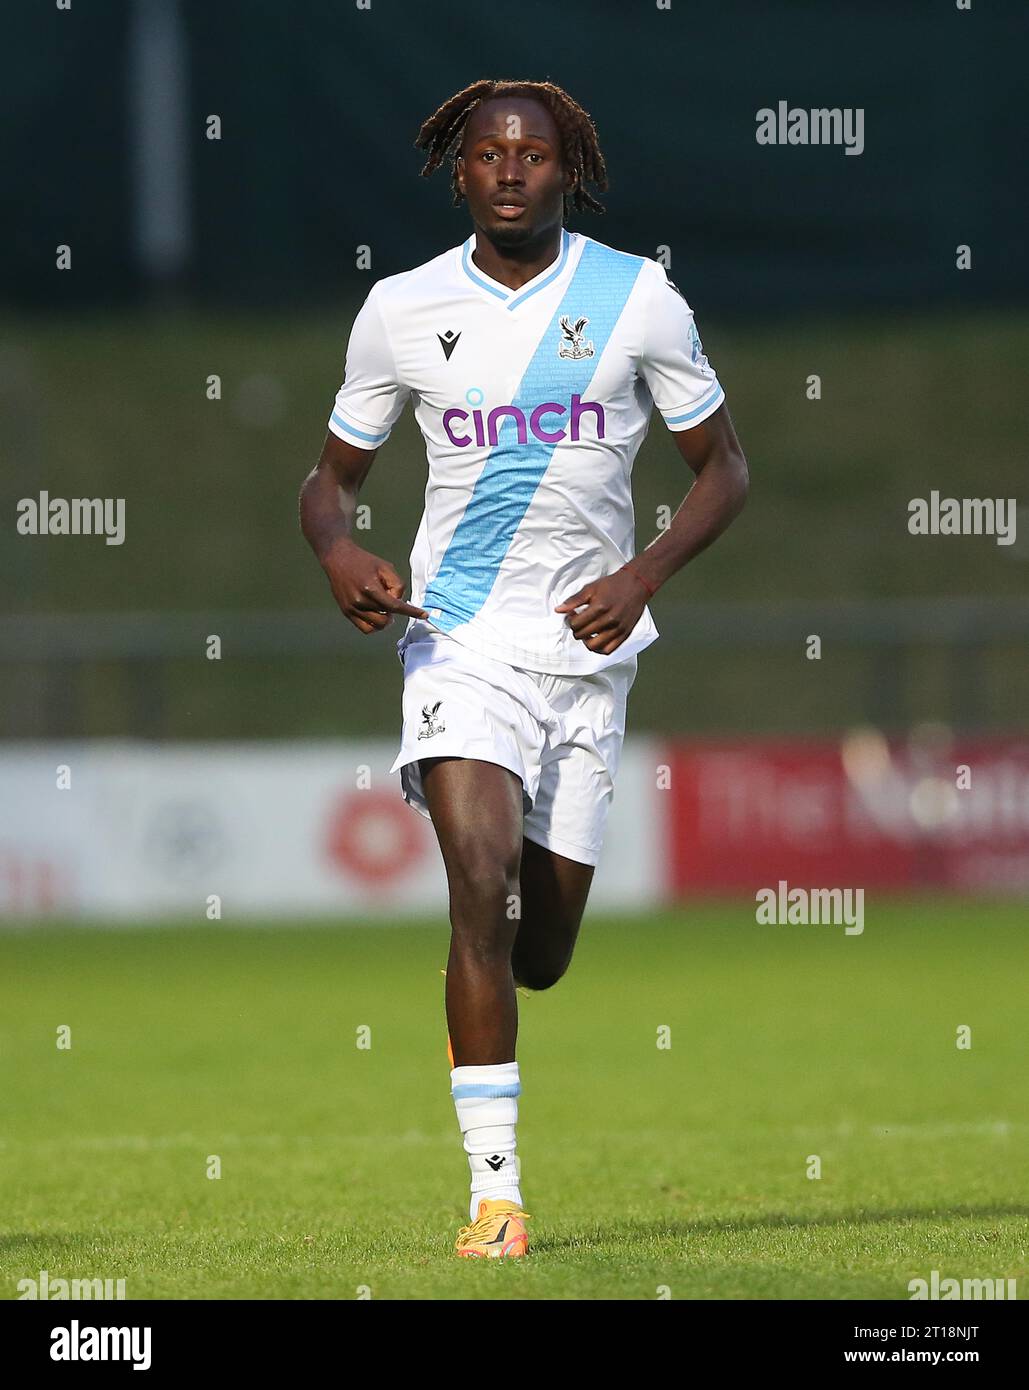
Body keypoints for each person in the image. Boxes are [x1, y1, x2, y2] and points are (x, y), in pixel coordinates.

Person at [300, 77, 749, 1259]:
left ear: (570, 170)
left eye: (535, 154)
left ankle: (486, 986)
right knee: (479, 879)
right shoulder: (402, 307)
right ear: (461, 170)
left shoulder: (635, 297)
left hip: (588, 656)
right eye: (490, 152)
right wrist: (340, 548)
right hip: (459, 638)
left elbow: (726, 470)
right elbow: (329, 482)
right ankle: (495, 1197)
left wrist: (643, 575)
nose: (511, 169)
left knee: (536, 945)